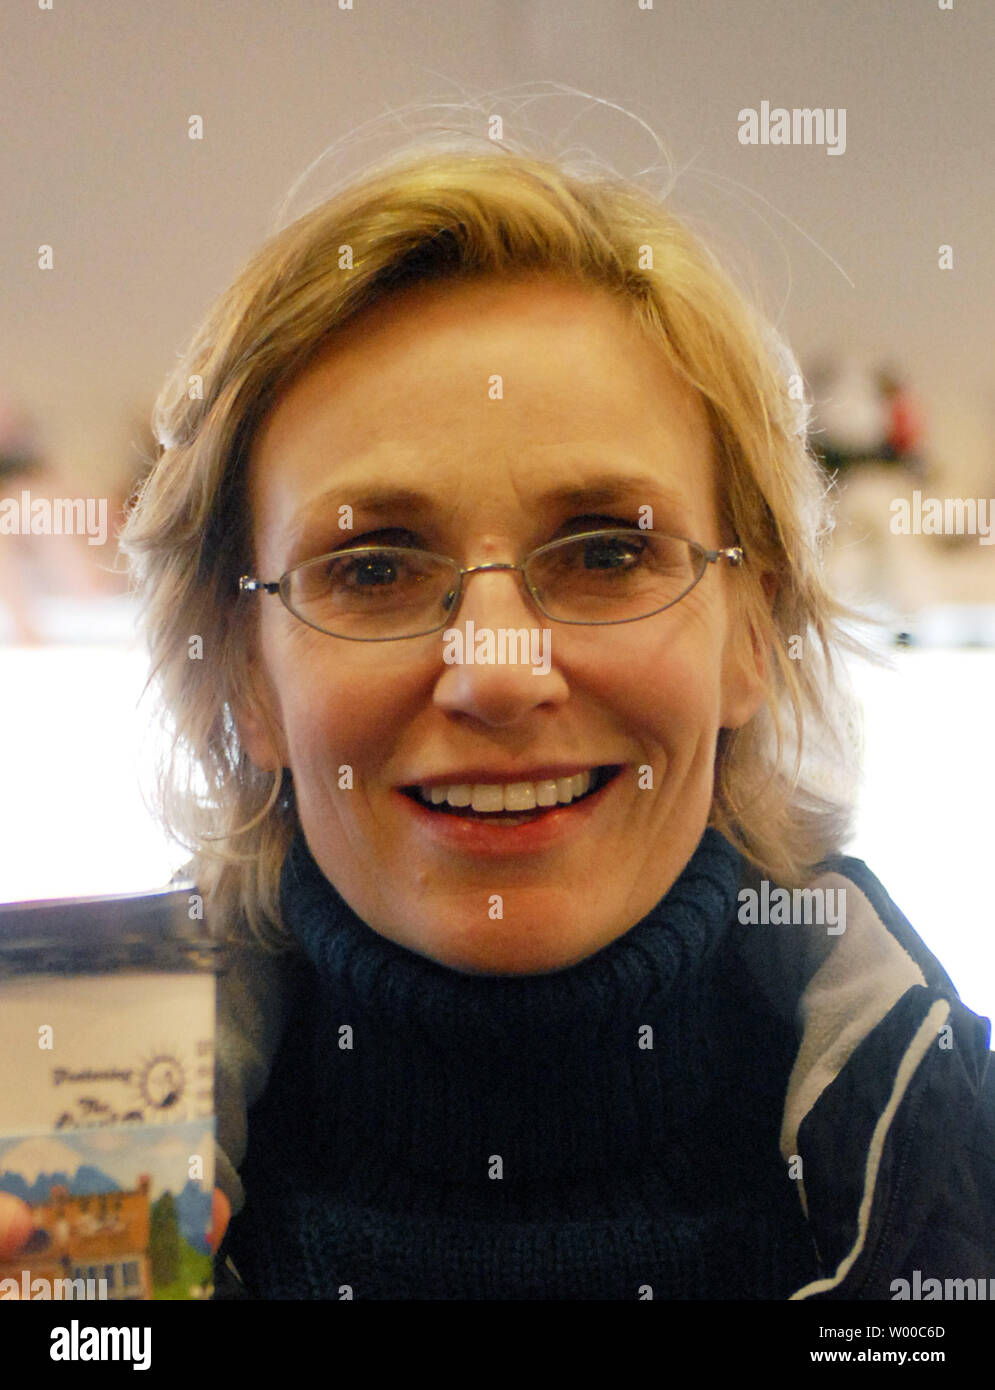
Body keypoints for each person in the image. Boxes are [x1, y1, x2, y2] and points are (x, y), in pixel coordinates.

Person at [5, 142, 993, 1299]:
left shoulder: (959, 1181)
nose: (496, 673)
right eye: (371, 566)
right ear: (242, 673)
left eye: (607, 550)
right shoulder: (59, 1219)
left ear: (751, 634)